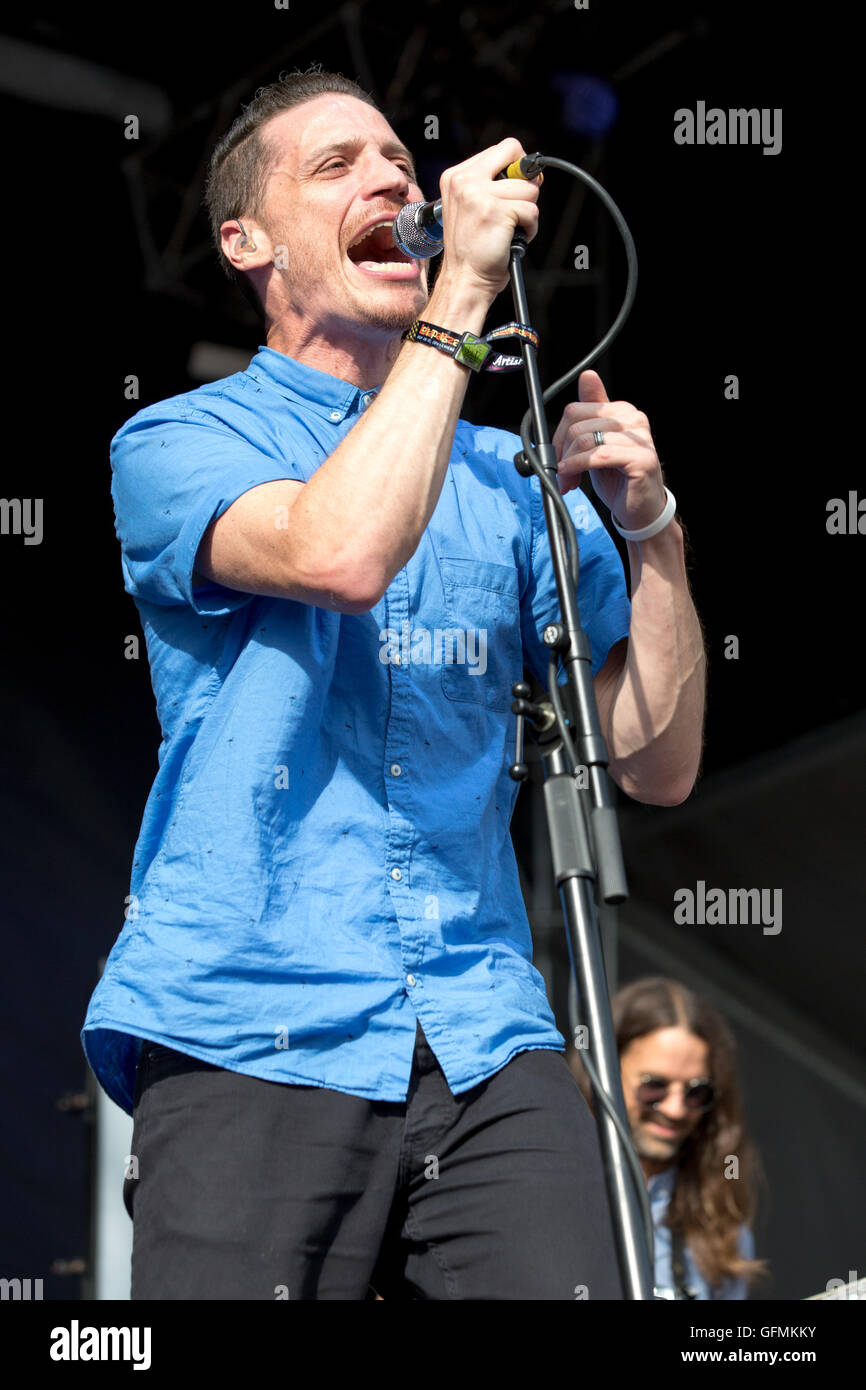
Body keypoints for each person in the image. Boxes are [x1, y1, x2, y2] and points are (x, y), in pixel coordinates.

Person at [81, 66, 706, 1300]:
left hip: (484, 1033)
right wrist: (463, 299)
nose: (391, 182)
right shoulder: (177, 443)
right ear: (244, 241)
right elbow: (339, 551)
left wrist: (656, 535)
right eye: (334, 167)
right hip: (247, 1019)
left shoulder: (503, 470)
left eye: (398, 168)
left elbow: (653, 756)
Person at [572, 976, 768, 1299]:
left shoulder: (723, 1228)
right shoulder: (551, 1182)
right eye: (654, 1086)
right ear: (603, 1070)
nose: (676, 1109)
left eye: (697, 1092)